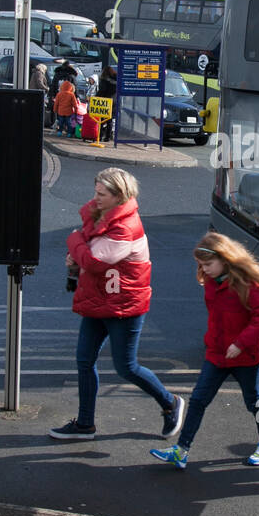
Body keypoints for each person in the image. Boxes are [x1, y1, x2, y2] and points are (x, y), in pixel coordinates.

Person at [49, 168, 185, 441]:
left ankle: (170, 403)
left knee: (126, 367)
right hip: (100, 300)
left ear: (119, 196)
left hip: (124, 306)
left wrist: (73, 242)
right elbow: (89, 251)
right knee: (84, 361)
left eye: (102, 193)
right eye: (95, 191)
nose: (95, 197)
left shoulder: (124, 227)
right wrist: (75, 255)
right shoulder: (103, 214)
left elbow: (95, 262)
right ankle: (85, 424)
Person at [150, 233, 259, 469]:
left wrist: (240, 343)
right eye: (201, 265)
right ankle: (182, 450)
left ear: (225, 259)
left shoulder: (248, 284)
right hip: (217, 354)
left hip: (245, 356)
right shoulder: (211, 282)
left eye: (208, 264)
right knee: (198, 399)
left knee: (255, 402)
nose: (204, 269)